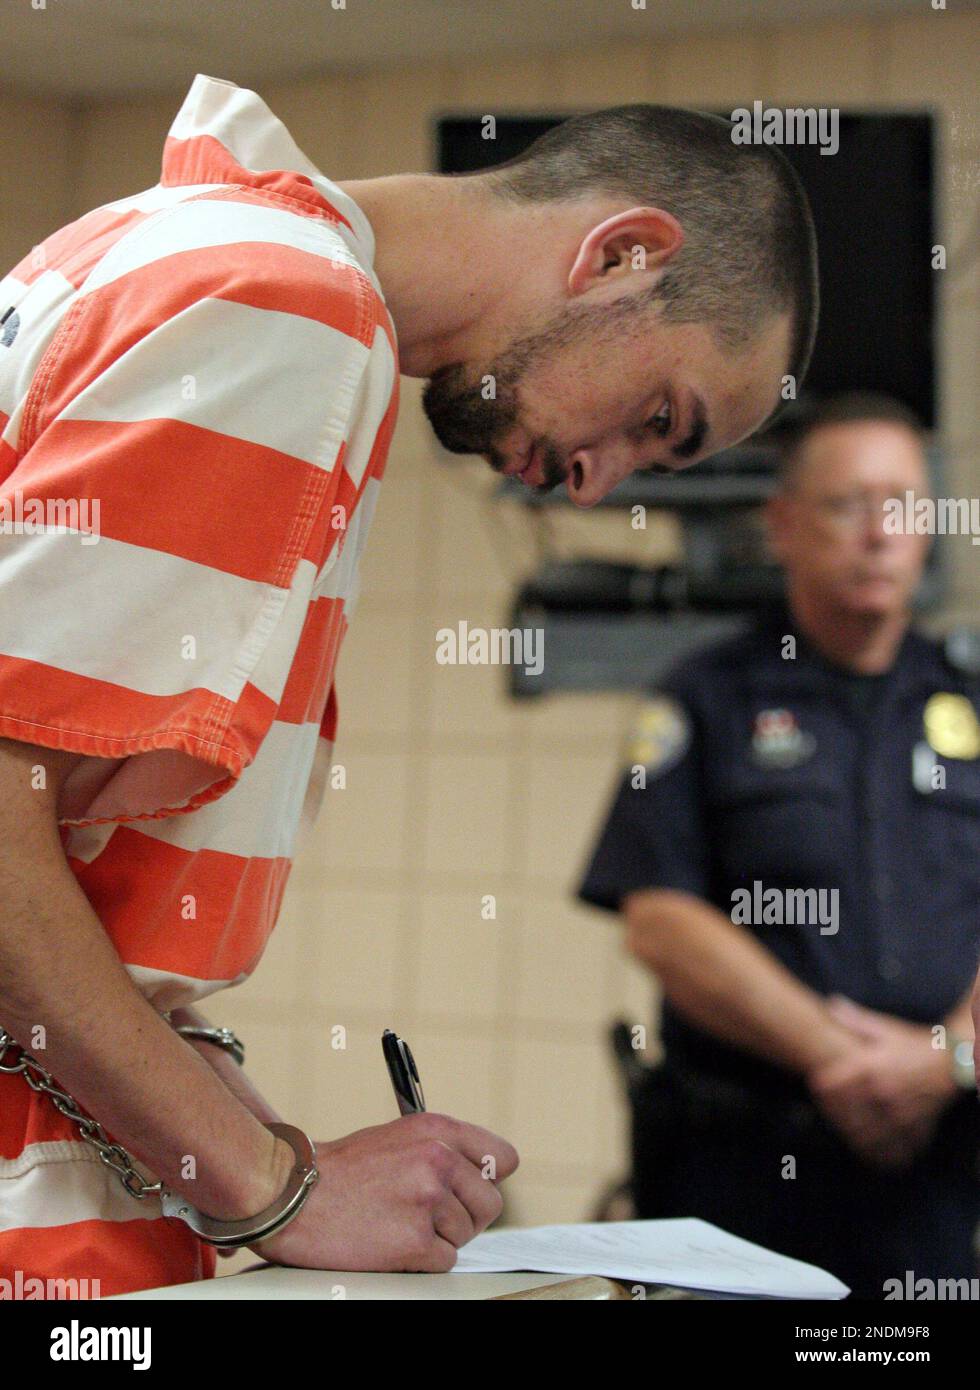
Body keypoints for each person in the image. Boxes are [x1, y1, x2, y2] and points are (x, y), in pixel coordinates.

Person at [0, 74, 817, 1293]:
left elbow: (61, 846)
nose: (598, 483)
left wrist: (249, 1132)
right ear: (621, 255)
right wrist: (275, 1184)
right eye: (657, 418)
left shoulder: (151, 242)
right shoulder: (294, 313)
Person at [578, 394, 980, 1299]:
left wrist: (947, 1056)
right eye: (847, 505)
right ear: (783, 525)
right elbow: (660, 919)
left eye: (904, 505)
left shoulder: (969, 695)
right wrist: (843, 1061)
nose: (880, 534)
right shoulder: (708, 695)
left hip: (934, 1184)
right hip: (742, 1177)